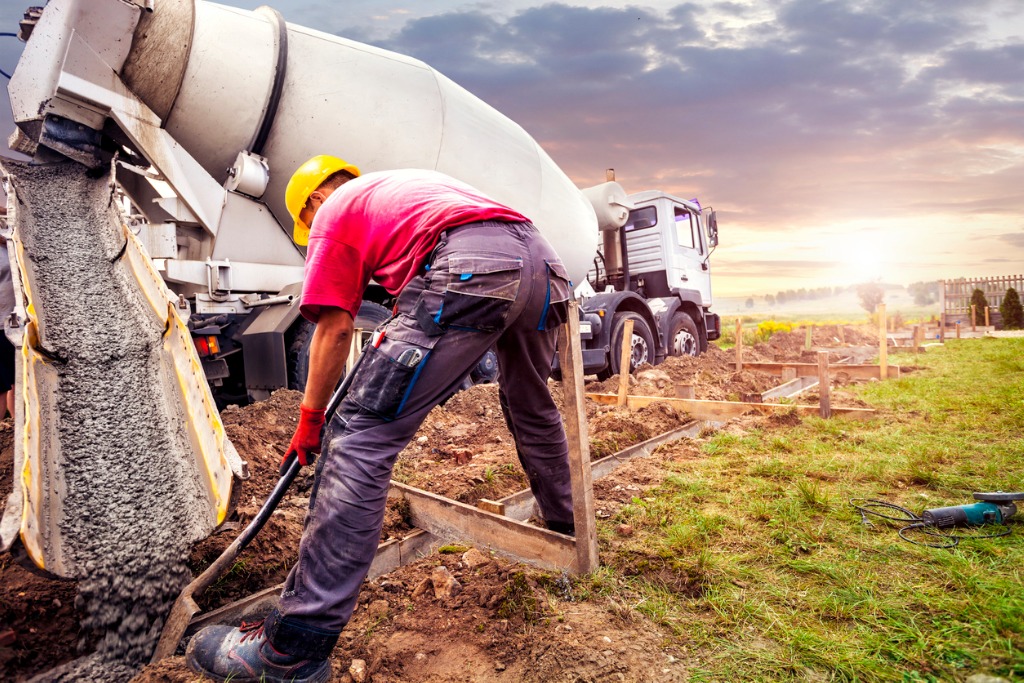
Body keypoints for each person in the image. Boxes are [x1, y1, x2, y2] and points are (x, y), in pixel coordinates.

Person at [186, 157, 576, 682]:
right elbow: (442, 256)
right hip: (544, 267)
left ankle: (292, 651)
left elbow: (334, 326)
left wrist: (312, 419)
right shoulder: (408, 188)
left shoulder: (332, 214)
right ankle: (566, 525)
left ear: (313, 203)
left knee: (358, 438)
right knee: (531, 405)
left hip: (472, 268)